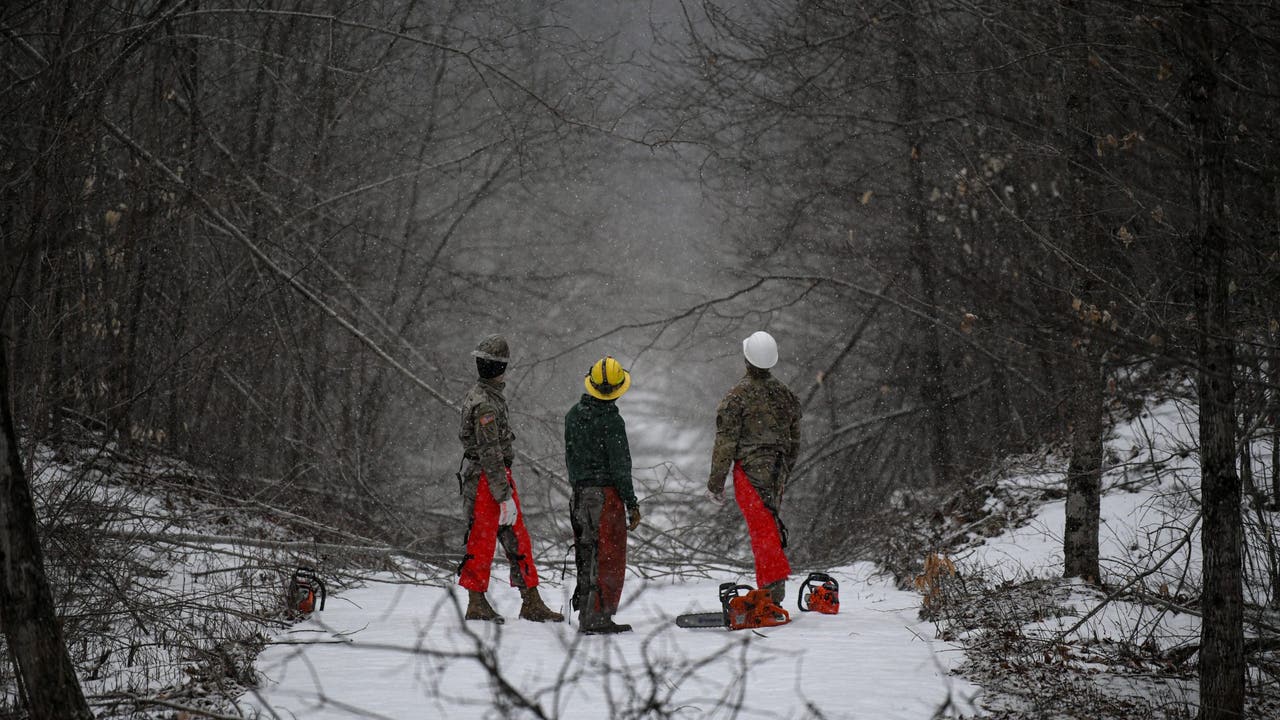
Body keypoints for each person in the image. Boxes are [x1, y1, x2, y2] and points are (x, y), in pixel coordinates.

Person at [457, 334, 564, 624]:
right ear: (501, 367)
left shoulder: (483, 395)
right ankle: (478, 602)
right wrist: (502, 496)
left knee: (517, 540)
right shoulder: (486, 404)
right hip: (488, 479)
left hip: (491, 477)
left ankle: (530, 601)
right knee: (483, 542)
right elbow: (490, 452)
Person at [706, 331, 802, 603]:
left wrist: (715, 482)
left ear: (747, 358)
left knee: (762, 531)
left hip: (748, 472)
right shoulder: (787, 396)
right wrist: (783, 470)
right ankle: (770, 590)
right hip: (777, 471)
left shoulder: (736, 397)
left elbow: (725, 443)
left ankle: (772, 595)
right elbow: (795, 442)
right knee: (768, 527)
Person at [565, 356, 642, 634]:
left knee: (586, 555)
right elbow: (621, 467)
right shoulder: (612, 421)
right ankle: (598, 617)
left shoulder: (572, 415)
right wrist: (631, 503)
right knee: (608, 557)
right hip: (605, 497)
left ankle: (587, 612)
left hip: (579, 495)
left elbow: (571, 459)